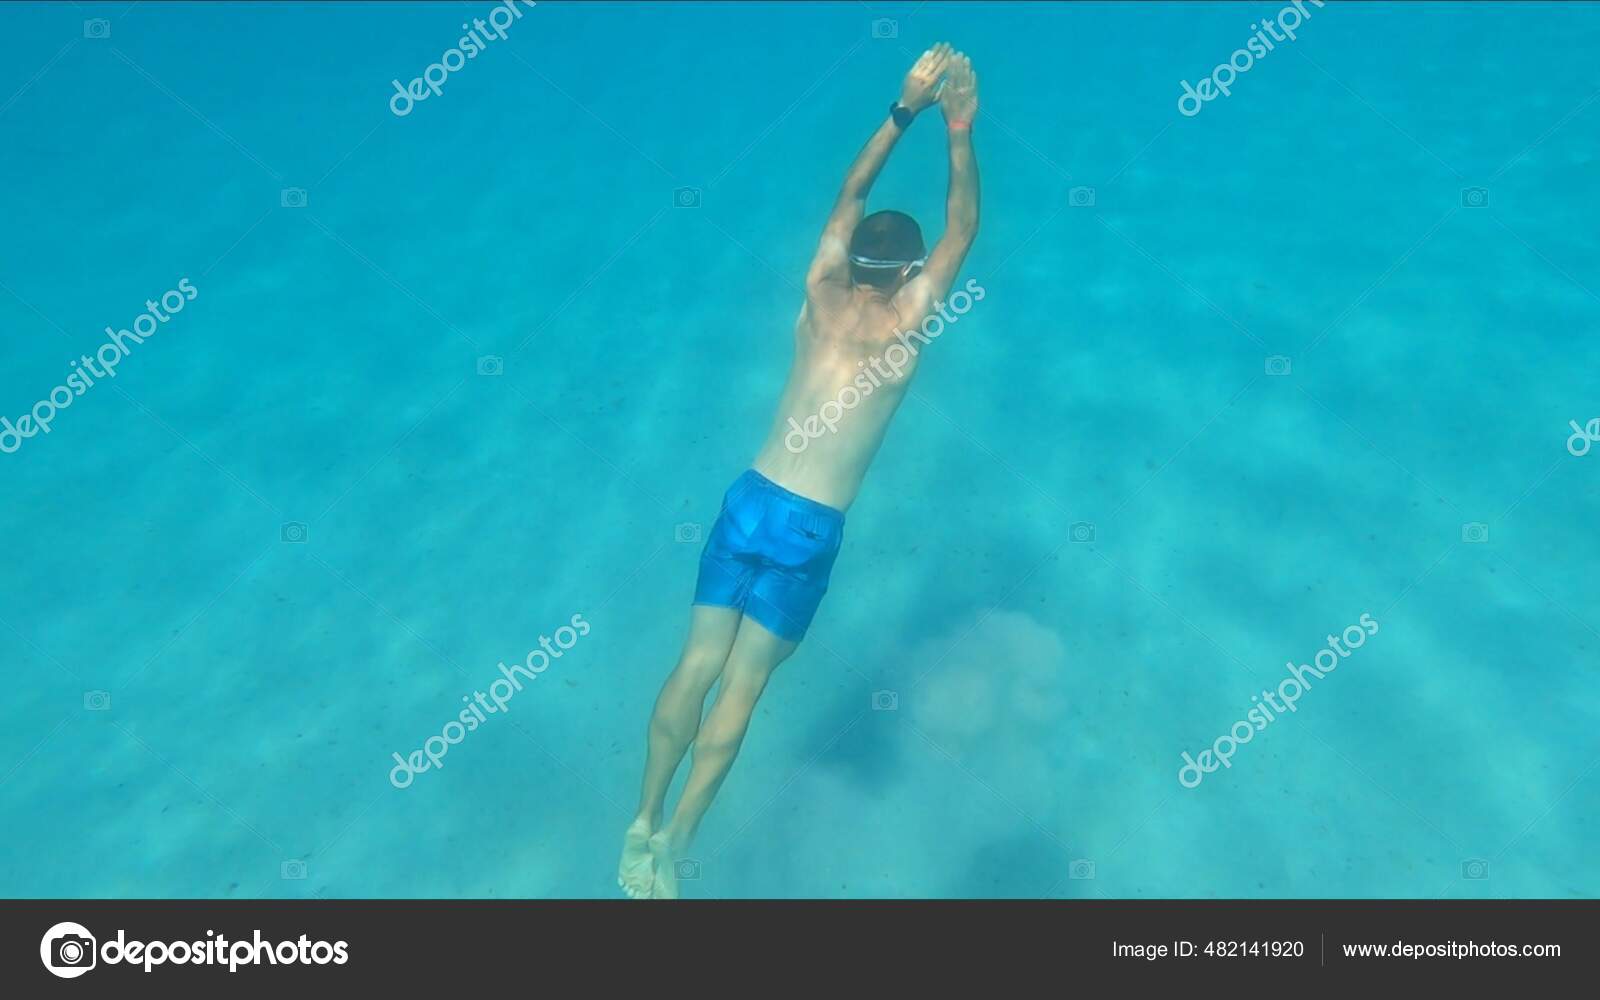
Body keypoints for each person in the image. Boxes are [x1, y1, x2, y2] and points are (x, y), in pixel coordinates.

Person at [619, 43, 981, 899]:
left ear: (855, 255)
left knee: (694, 665)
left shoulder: (819, 287)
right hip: (810, 525)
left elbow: (849, 196)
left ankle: (638, 819)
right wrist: (958, 126)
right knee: (740, 689)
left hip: (749, 499)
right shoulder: (908, 322)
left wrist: (902, 109)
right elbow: (963, 227)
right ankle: (673, 845)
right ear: (907, 271)